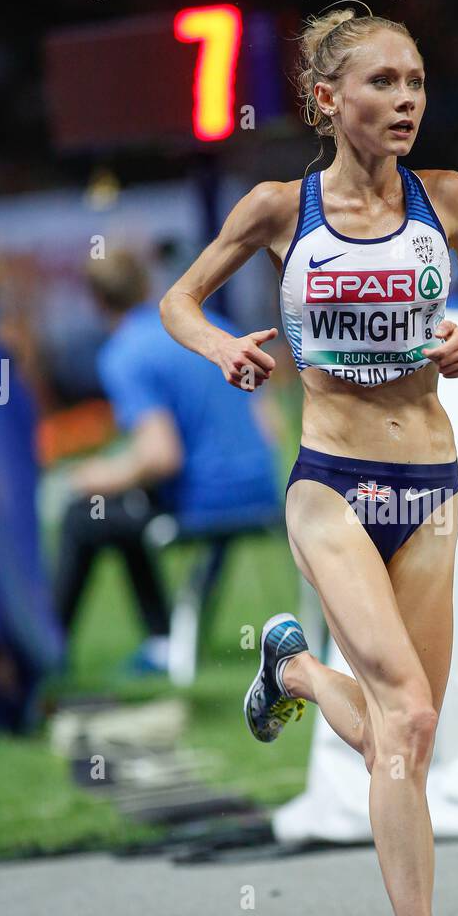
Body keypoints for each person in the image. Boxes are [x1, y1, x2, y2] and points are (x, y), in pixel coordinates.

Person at [160, 5, 458, 916]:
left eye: (413, 81)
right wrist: (220, 346)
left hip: (430, 486)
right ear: (328, 99)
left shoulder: (444, 198)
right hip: (328, 483)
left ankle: (297, 673)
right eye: (380, 84)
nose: (404, 101)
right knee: (402, 716)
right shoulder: (281, 207)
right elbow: (178, 301)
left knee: (407, 737)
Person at [56, 250, 280, 672]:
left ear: (97, 301)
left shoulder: (124, 354)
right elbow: (270, 426)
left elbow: (161, 456)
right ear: (145, 285)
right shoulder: (216, 327)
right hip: (262, 488)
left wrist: (97, 476)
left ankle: (50, 649)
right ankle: (162, 638)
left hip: (207, 500)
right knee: (119, 512)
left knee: (84, 514)